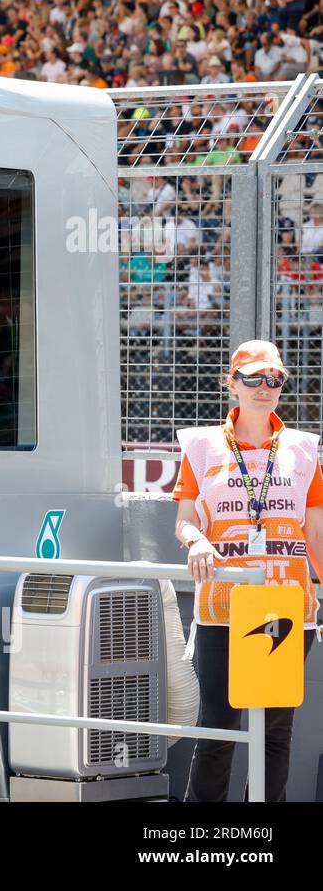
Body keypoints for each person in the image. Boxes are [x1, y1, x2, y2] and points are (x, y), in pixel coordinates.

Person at [174, 340, 323, 802]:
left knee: (276, 729)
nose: (265, 388)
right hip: (225, 605)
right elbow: (184, 519)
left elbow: (315, 533)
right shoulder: (200, 445)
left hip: (287, 606)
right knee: (219, 725)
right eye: (254, 378)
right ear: (232, 383)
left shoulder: (304, 450)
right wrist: (196, 540)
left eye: (274, 379)